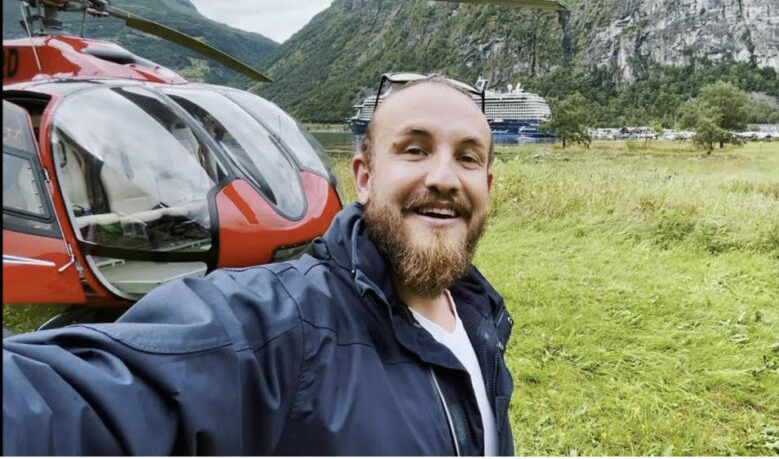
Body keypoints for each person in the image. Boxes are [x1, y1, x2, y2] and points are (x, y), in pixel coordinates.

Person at [2, 76, 514, 456]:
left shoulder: (478, 315)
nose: (445, 178)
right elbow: (87, 395)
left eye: (468, 158)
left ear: (487, 188)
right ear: (363, 178)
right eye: (415, 149)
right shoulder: (283, 327)